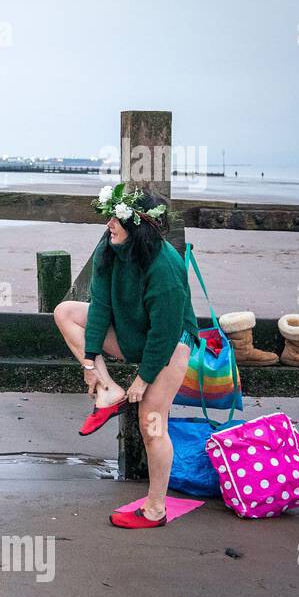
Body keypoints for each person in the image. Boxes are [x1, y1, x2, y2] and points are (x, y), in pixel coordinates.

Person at [53, 187, 199, 528]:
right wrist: (91, 362)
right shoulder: (109, 246)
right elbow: (101, 304)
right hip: (132, 331)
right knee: (66, 312)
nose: (108, 224)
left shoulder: (164, 268)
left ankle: (155, 508)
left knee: (152, 423)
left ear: (140, 225)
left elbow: (165, 333)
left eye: (115, 218)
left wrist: (143, 379)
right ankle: (107, 392)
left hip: (169, 346)